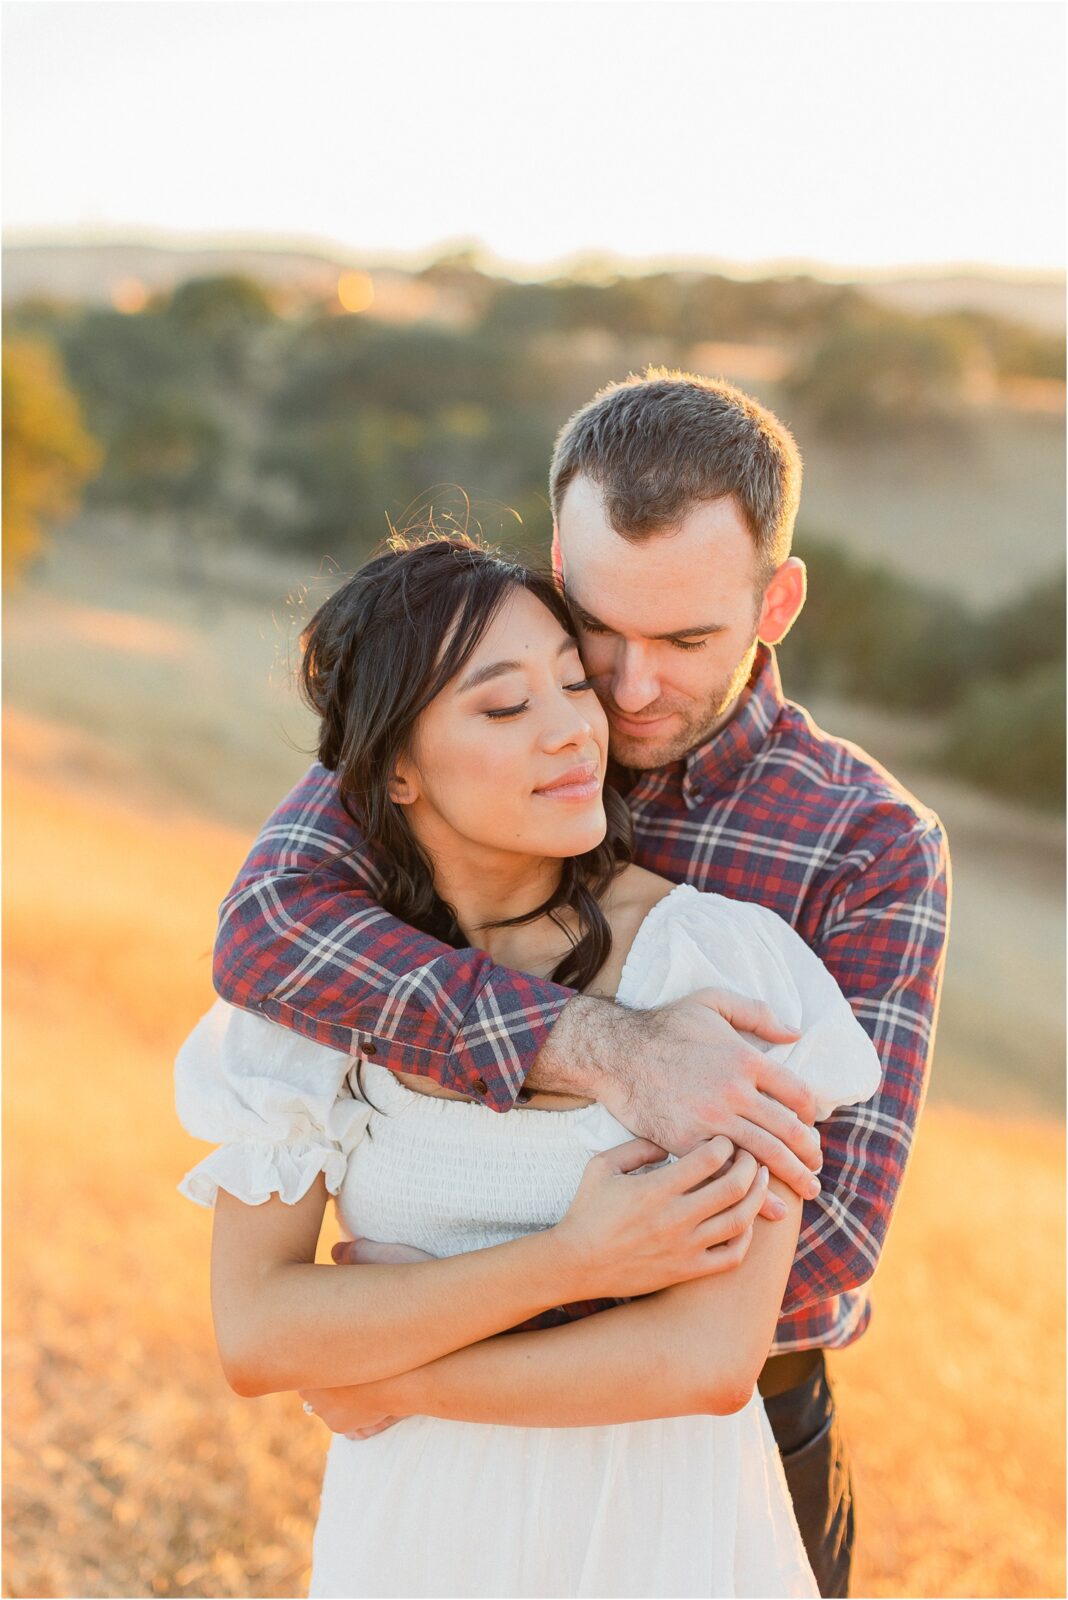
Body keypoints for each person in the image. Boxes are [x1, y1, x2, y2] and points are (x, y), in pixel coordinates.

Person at [210, 372, 951, 1596]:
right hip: (435, 1468)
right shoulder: (460, 711)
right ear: (560, 558)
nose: (621, 691)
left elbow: (827, 1240)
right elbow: (271, 933)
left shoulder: (863, 843)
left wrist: (417, 1344)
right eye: (596, 626)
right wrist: (610, 1048)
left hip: (727, 1442)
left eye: (687, 640)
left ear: (778, 600)